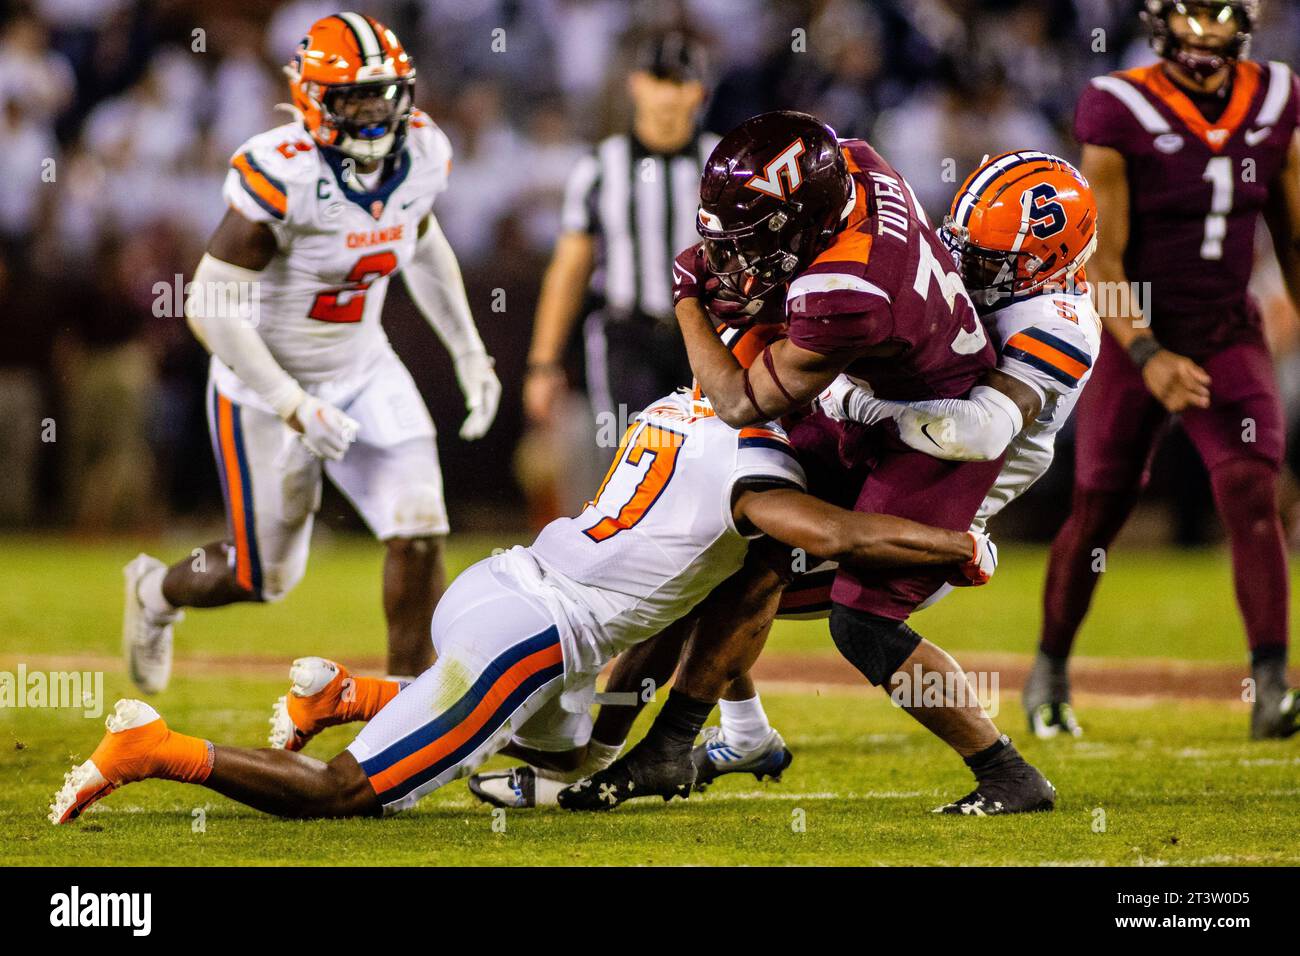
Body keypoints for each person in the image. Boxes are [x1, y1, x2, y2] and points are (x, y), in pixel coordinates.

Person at [51, 388, 997, 825]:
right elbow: (829, 538)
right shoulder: (761, 467)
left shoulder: (680, 403)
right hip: (530, 634)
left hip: (511, 586)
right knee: (344, 796)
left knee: (572, 757)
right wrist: (955, 544)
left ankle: (344, 695)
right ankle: (155, 750)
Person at [560, 110, 1056, 816]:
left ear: (808, 224)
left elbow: (739, 403)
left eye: (754, 243)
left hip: (934, 431)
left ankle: (1007, 772)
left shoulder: (847, 290)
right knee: (744, 548)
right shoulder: (853, 164)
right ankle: (671, 747)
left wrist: (686, 299)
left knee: (862, 622)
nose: (735, 259)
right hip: (879, 390)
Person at [120, 13, 501, 691]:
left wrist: (470, 351)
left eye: (383, 92)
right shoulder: (284, 175)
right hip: (264, 380)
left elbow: (423, 241)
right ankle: (156, 592)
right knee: (259, 574)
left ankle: (408, 712)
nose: (374, 110)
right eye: (354, 96)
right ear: (314, 100)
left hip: (362, 364)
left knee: (419, 526)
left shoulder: (421, 153)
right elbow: (208, 307)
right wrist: (292, 404)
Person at [1033, 0, 1300, 739]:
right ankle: (1050, 665)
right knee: (1101, 507)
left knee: (1251, 482)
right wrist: (1147, 352)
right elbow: (1103, 255)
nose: (1206, 44)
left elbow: (1293, 233)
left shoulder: (1278, 95)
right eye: (1192, 27)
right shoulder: (1117, 104)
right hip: (1133, 329)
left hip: (1225, 325)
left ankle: (1273, 681)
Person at [821, 150, 1101, 738]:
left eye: (991, 262)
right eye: (962, 245)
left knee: (852, 614)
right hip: (890, 450)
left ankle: (1001, 767)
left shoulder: (1058, 322)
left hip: (950, 486)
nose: (966, 266)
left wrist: (855, 401)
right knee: (734, 529)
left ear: (1048, 263)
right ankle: (739, 734)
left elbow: (979, 431)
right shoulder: (978, 260)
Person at [523, 31, 715, 438]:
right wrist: (544, 363)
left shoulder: (722, 164)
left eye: (679, 82)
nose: (667, 95)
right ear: (637, 84)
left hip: (709, 335)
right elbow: (569, 269)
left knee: (711, 451)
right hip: (628, 337)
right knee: (636, 451)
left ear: (699, 92)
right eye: (659, 80)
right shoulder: (599, 167)